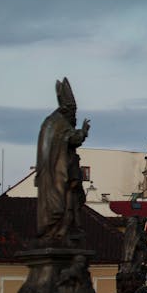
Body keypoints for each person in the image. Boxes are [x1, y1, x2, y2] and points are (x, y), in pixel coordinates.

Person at [36, 78, 90, 245]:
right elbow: (73, 138)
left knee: (62, 204)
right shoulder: (59, 124)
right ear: (68, 110)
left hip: (50, 174)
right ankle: (59, 233)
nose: (74, 117)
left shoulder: (49, 123)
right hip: (59, 175)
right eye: (74, 113)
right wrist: (84, 131)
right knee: (64, 205)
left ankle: (56, 232)